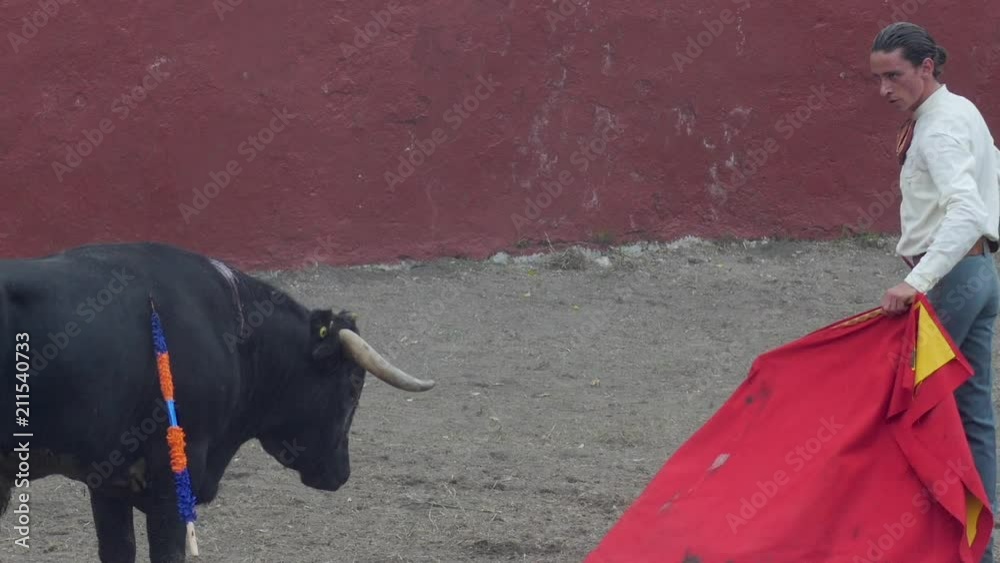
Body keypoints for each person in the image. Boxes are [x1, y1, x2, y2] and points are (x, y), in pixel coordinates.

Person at [870, 21, 1000, 561]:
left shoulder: (939, 128)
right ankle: (980, 545)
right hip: (981, 274)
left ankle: (923, 540)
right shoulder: (958, 109)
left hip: (950, 278)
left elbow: (967, 209)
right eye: (878, 79)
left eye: (894, 76)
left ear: (926, 67)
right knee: (972, 411)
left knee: (909, 407)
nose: (884, 90)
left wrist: (916, 280)